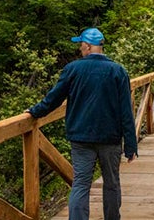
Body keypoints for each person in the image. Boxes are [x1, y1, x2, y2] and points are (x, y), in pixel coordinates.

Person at [26, 27, 138, 220]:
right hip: (110, 138)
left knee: (80, 184)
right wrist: (130, 144)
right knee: (112, 183)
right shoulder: (118, 71)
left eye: (81, 45)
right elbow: (125, 111)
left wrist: (34, 112)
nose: (80, 49)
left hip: (81, 137)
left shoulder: (73, 69)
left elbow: (54, 99)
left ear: (87, 46)